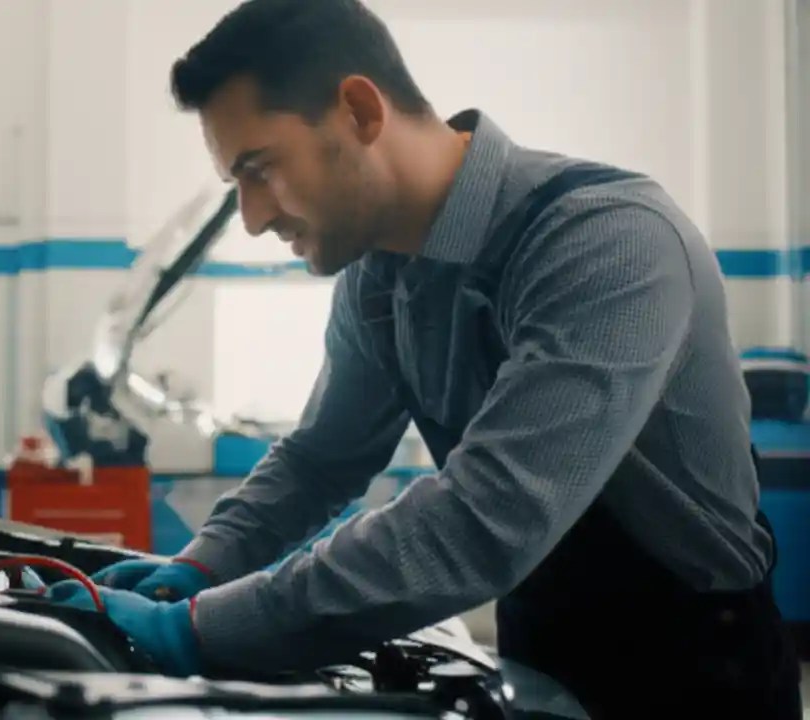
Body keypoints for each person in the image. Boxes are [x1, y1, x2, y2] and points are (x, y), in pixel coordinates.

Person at [48, 0, 803, 716]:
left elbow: (482, 522)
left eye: (261, 168)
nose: (250, 219)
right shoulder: (377, 276)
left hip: (696, 671)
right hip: (541, 649)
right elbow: (320, 459)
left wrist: (198, 630)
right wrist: (203, 565)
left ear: (359, 111)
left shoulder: (608, 243)